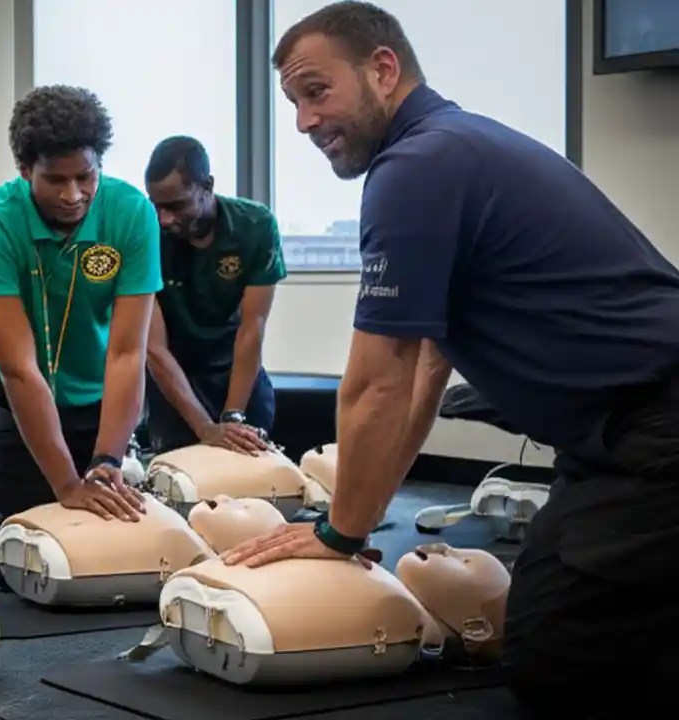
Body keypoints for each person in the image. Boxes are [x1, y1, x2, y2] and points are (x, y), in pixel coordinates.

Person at [220, 2, 679, 716]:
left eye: (317, 92)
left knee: (566, 662)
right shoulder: (450, 147)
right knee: (553, 634)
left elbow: (376, 381)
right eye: (293, 104)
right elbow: (422, 375)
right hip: (612, 442)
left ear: (383, 68)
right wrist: (356, 525)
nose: (305, 121)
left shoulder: (418, 166)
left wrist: (337, 534)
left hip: (659, 423)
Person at [0, 84, 160, 581]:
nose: (73, 195)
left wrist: (108, 457)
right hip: (14, 400)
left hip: (96, 395)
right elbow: (19, 369)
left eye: (85, 177)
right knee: (28, 556)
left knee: (106, 549)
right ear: (25, 171)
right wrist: (68, 484)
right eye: (55, 180)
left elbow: (128, 351)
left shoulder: (132, 213)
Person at [142, 136, 285, 455]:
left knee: (248, 477)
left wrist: (232, 418)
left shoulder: (255, 225)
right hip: (175, 378)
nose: (165, 218)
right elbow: (154, 349)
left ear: (207, 186)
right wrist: (204, 427)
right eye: (156, 205)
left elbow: (252, 329)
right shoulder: (146, 234)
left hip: (235, 369)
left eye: (176, 205)